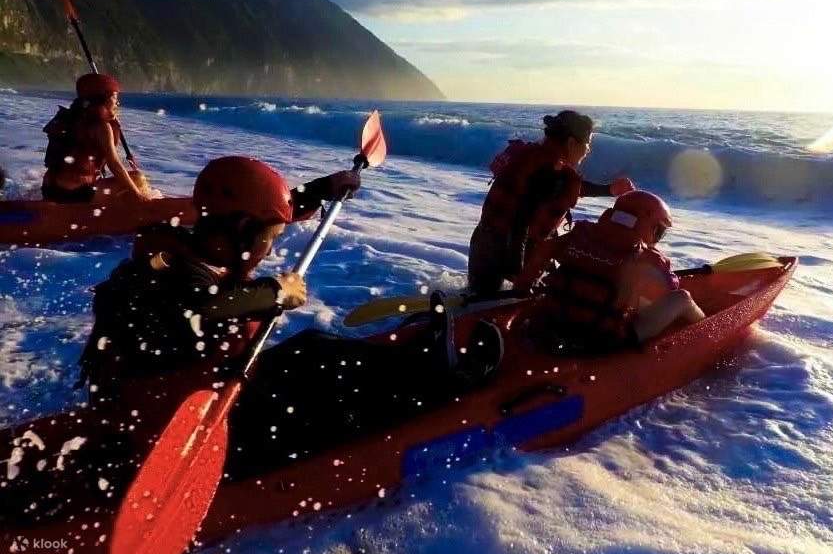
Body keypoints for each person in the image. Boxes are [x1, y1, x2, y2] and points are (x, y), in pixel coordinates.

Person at [79, 156, 501, 411]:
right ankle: (445, 388)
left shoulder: (197, 243)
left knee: (314, 348)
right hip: (179, 412)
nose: (271, 248)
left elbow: (268, 214)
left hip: (194, 390)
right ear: (243, 228)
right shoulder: (170, 269)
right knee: (322, 367)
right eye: (271, 239)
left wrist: (322, 190)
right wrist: (275, 292)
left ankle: (421, 360)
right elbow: (199, 307)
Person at [513, 190, 705, 352]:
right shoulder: (647, 258)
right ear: (647, 225)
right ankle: (707, 326)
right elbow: (671, 288)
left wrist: (526, 285)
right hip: (601, 341)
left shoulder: (578, 236)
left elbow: (542, 251)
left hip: (551, 326)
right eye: (658, 231)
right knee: (682, 297)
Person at [468, 110, 635, 295]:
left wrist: (609, 190)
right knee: (503, 308)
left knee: (475, 302)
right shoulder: (550, 172)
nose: (588, 150)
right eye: (588, 144)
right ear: (571, 142)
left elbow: (559, 189)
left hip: (483, 241)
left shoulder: (537, 158)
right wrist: (518, 274)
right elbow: (520, 221)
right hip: (507, 250)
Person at [41, 72, 150, 203]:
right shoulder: (101, 126)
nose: (118, 103)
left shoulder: (71, 117)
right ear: (103, 100)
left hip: (50, 189)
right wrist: (137, 194)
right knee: (138, 179)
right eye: (115, 98)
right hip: (75, 194)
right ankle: (137, 212)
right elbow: (114, 164)